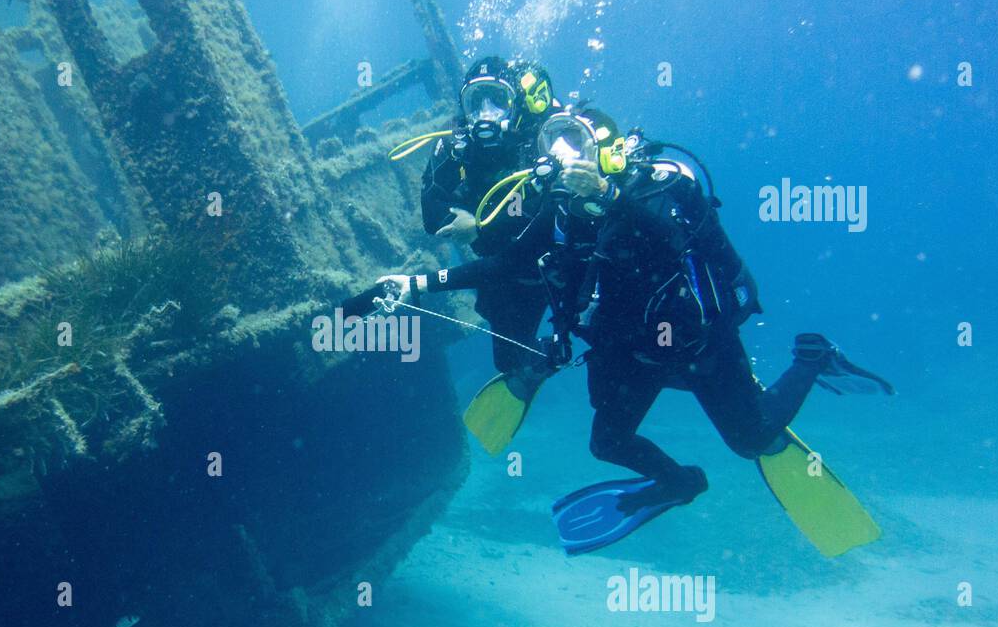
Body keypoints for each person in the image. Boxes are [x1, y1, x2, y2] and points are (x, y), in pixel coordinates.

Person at [536, 121, 894, 554]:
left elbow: (669, 239)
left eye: (582, 150)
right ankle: (679, 483)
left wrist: (610, 196)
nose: (571, 165)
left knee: (751, 438)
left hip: (698, 343)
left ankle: (812, 358)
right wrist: (558, 334)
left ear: (608, 150)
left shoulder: (661, 185)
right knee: (607, 441)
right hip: (635, 351)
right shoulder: (569, 213)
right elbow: (560, 281)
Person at [369, 57, 565, 454]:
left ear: (515, 104)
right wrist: (451, 180)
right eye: (477, 103)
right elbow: (432, 218)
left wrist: (476, 227)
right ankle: (546, 358)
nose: (486, 115)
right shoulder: (456, 148)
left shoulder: (536, 147)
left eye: (497, 101)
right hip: (495, 272)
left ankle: (564, 344)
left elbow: (529, 240)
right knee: (508, 361)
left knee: (575, 327)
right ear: (464, 106)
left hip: (546, 267)